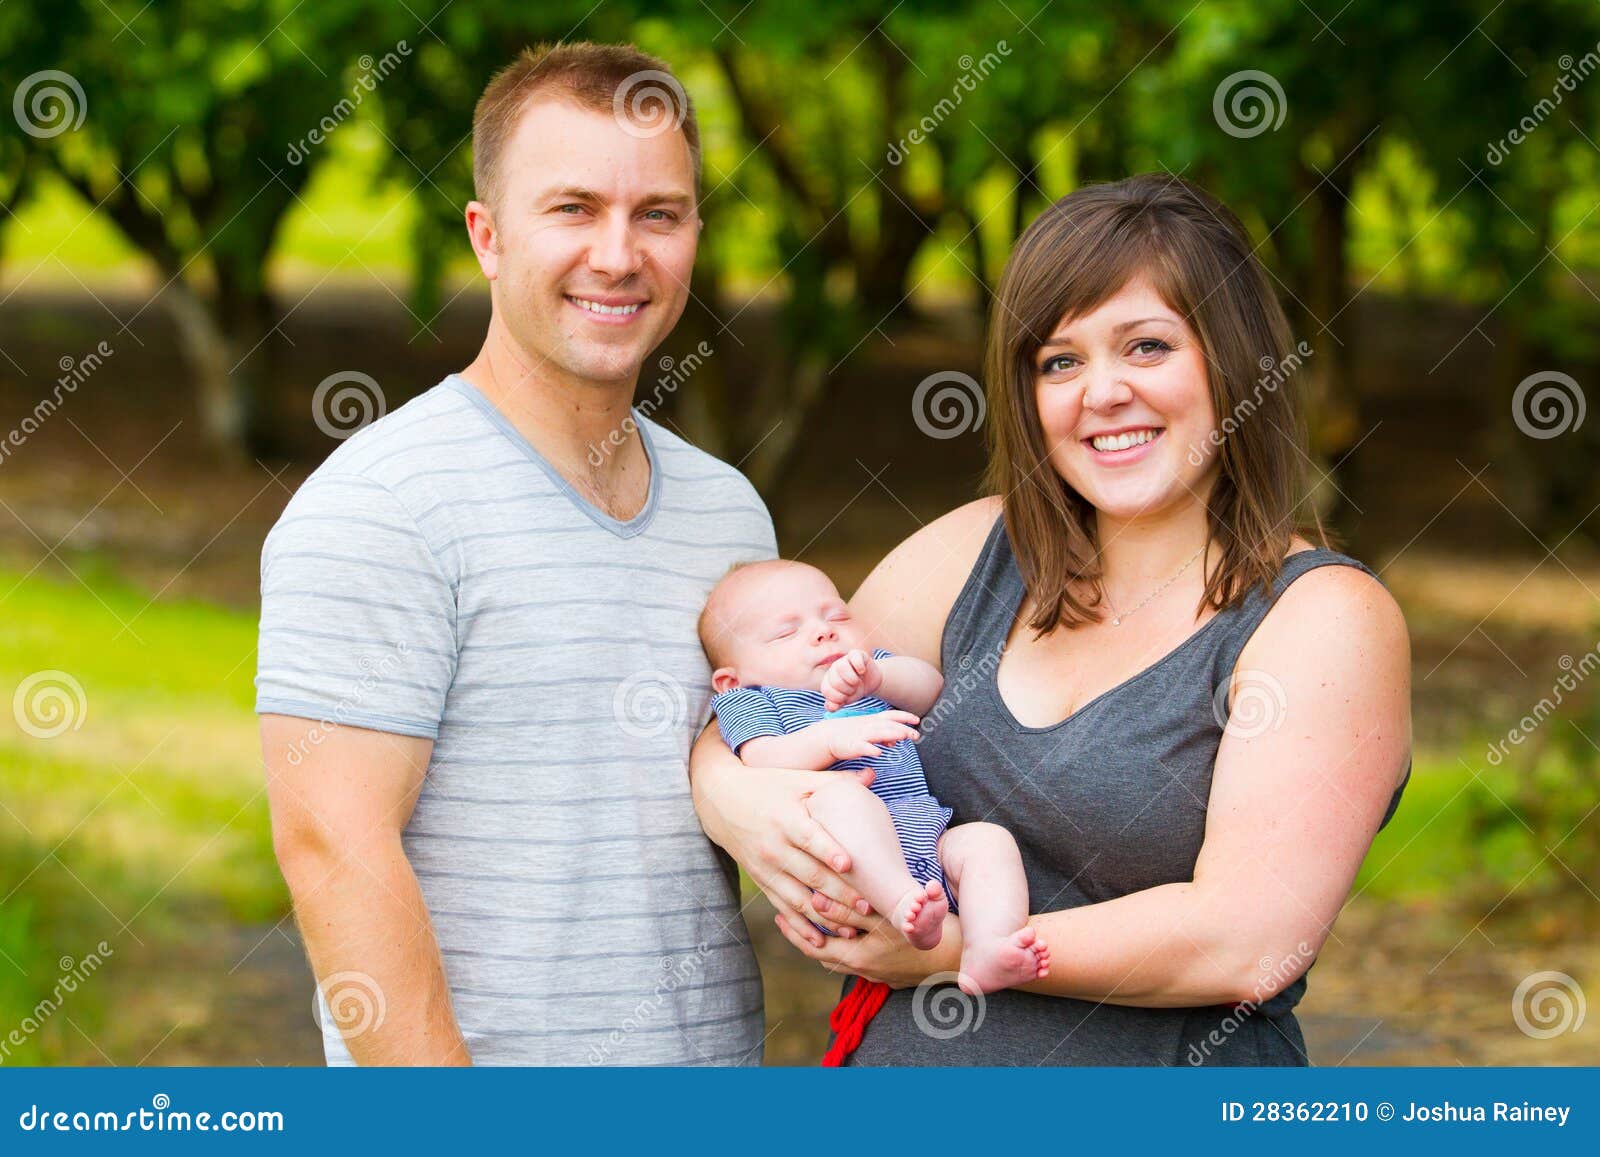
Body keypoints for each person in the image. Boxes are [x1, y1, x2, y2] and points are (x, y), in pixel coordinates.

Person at [690, 173, 1412, 1065]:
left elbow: (1248, 939)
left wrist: (958, 950)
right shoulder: (972, 551)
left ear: (1232, 361)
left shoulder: (1323, 617)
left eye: (1145, 346)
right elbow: (755, 702)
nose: (1100, 392)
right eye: (1060, 361)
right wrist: (737, 804)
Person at [258, 42, 797, 1065]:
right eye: (573, 208)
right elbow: (333, 850)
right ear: (487, 235)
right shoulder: (380, 505)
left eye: (659, 214)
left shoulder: (729, 516)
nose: (618, 253)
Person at [700, 559, 1050, 994]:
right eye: (786, 632)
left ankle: (988, 946)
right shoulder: (751, 698)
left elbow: (931, 691)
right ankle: (904, 903)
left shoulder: (867, 674)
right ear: (730, 678)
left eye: (836, 616)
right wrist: (830, 741)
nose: (823, 632)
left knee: (986, 840)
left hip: (923, 833)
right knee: (843, 796)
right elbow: (761, 758)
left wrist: (881, 676)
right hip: (848, 860)